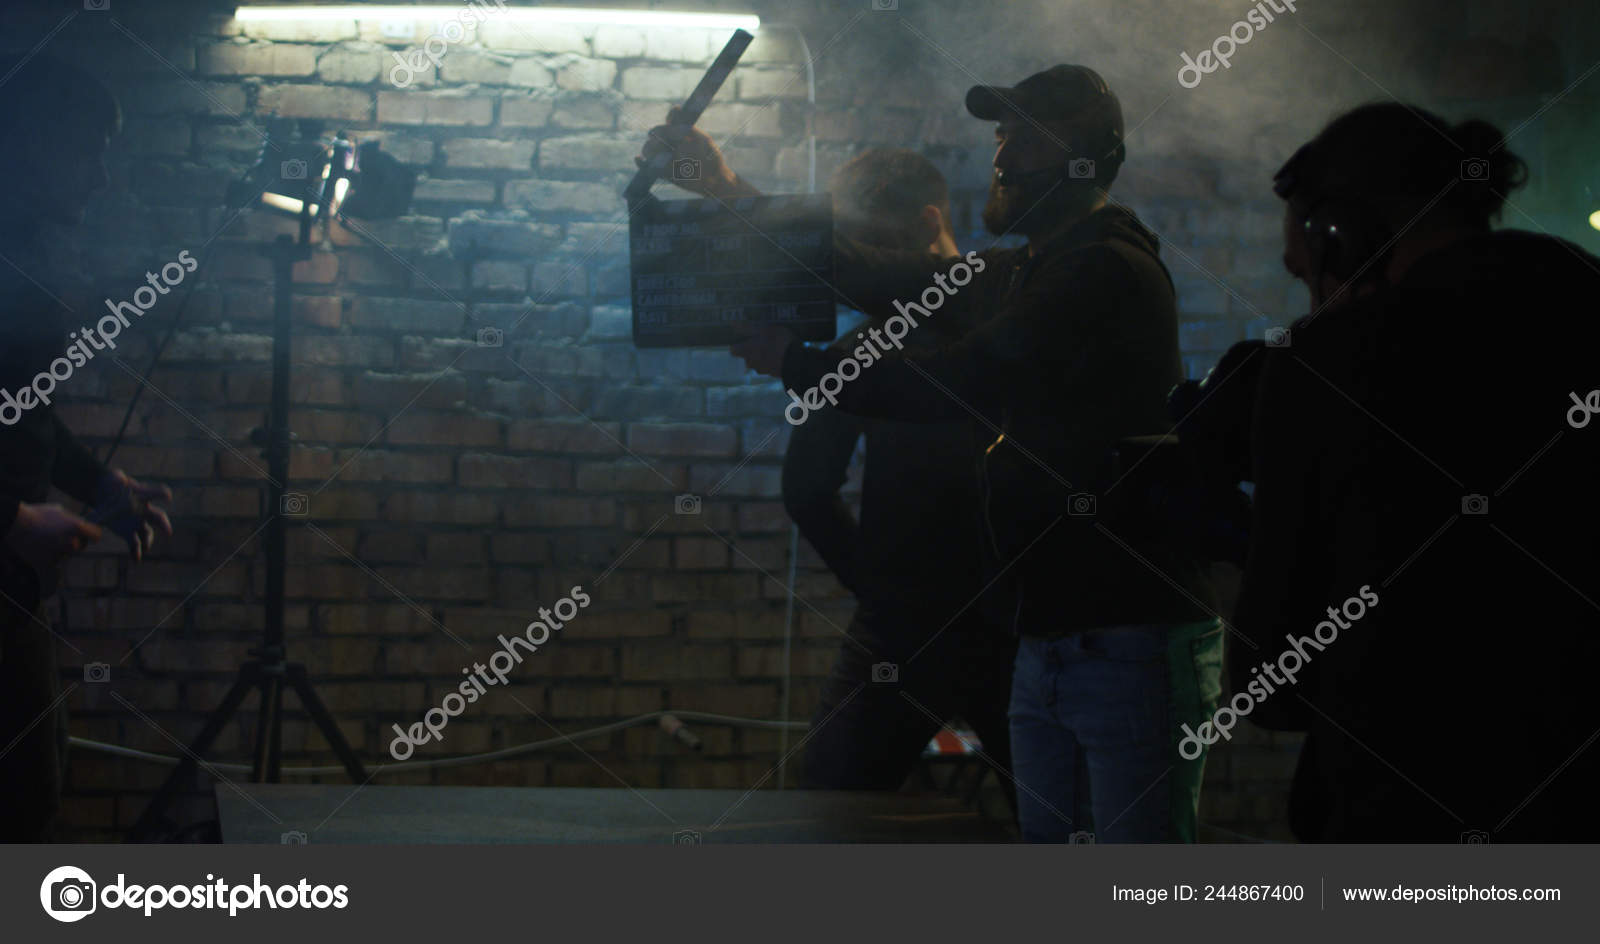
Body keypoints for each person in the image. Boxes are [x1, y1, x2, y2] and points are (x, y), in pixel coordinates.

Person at [641, 65, 1222, 842]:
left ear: (1085, 159)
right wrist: (720, 187)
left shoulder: (1100, 269)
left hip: (1118, 636)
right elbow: (862, 271)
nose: (1001, 157)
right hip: (1049, 634)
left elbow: (963, 377)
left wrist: (799, 362)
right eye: (1001, 136)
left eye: (1025, 140)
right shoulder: (1024, 269)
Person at [1234, 102, 1600, 841]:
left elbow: (1273, 666)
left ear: (1344, 236)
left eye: (1312, 272)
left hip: (1399, 800)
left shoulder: (1326, 362)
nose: (1316, 296)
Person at [781, 148, 1015, 798]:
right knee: (1063, 822)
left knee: (828, 814)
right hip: (1015, 617)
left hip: (905, 627)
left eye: (870, 257)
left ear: (926, 224)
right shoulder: (1016, 323)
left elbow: (805, 488)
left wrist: (882, 591)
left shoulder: (863, 349)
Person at [0, 54, 174, 842]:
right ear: (33, 144)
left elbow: (22, 414)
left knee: (33, 792)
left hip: (12, 584)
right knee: (21, 804)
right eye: (89, 152)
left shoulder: (25, 254)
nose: (101, 179)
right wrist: (10, 519)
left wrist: (97, 481)